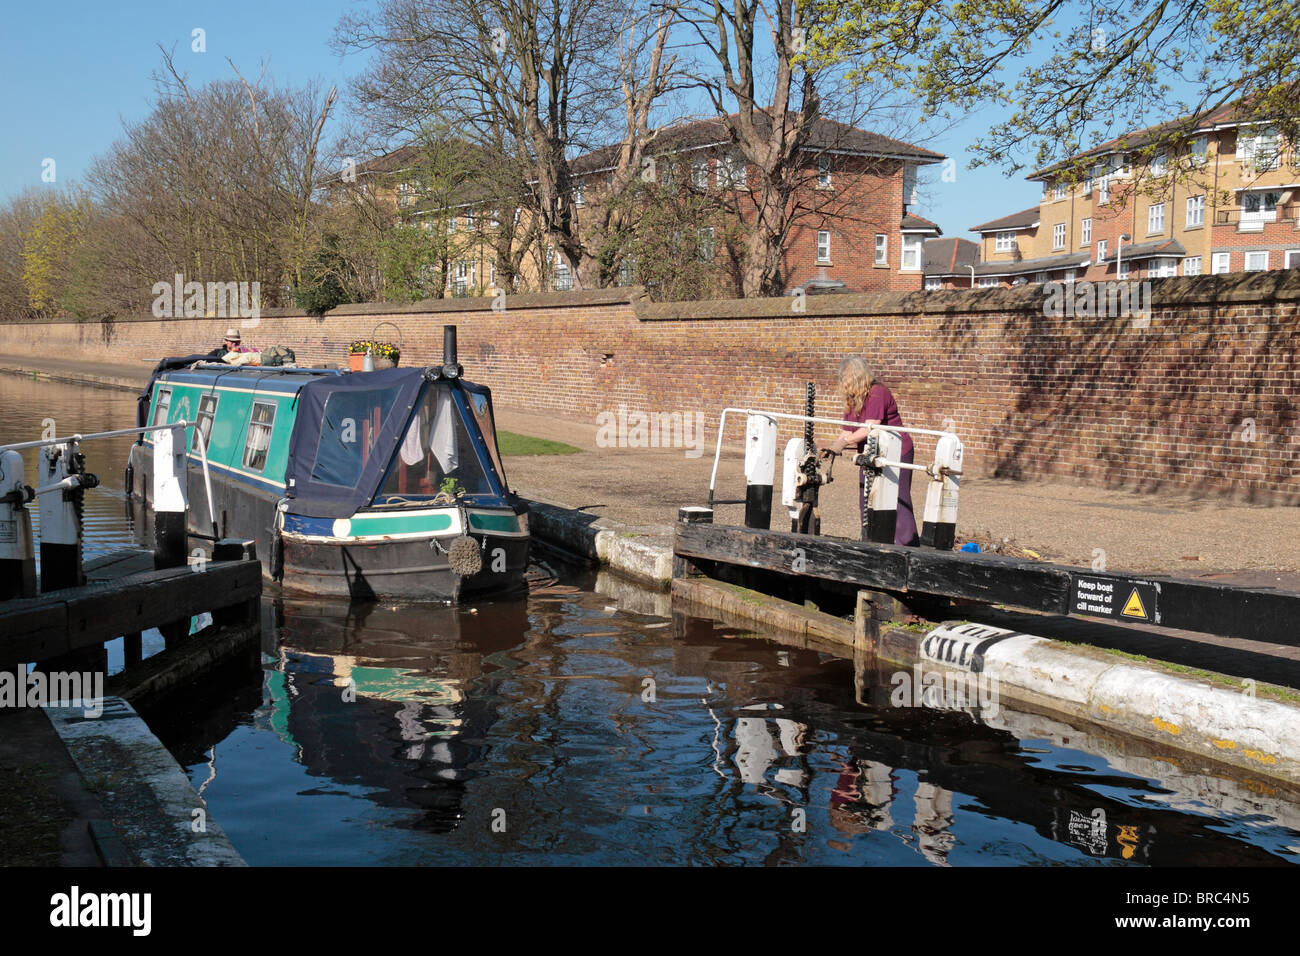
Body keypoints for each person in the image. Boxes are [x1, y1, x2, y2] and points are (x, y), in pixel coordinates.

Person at [821, 356, 920, 546]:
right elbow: (847, 430)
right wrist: (833, 447)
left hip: (896, 451)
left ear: (855, 378)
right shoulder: (854, 400)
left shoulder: (877, 393)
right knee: (866, 496)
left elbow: (869, 428)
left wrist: (843, 442)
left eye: (845, 380)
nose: (843, 385)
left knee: (898, 498)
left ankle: (907, 544)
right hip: (870, 452)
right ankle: (871, 540)